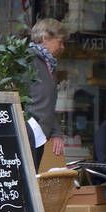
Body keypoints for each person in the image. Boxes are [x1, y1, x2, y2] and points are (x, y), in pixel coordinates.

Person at [27, 17, 66, 167]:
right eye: (60, 42)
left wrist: (55, 132)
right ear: (45, 38)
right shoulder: (28, 60)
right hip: (29, 134)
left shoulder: (49, 64)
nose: (62, 47)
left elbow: (48, 105)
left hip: (40, 135)